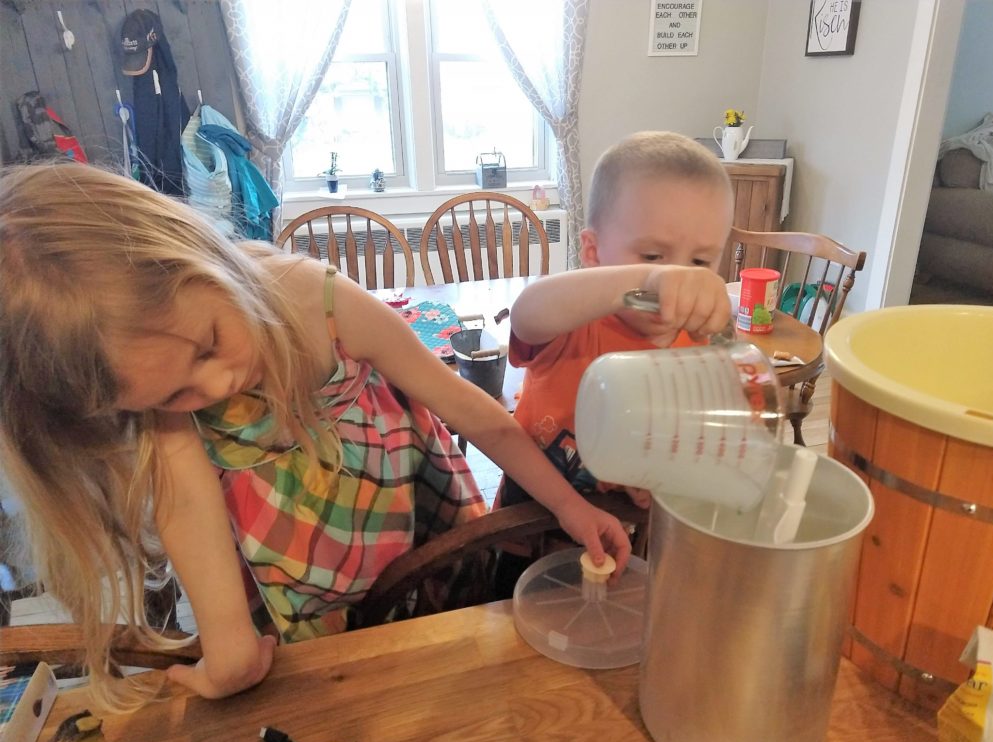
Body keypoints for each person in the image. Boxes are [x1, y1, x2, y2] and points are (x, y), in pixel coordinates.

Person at [0, 162, 631, 711]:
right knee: (346, 696)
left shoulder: (319, 303)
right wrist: (230, 651)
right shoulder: (154, 388)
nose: (218, 384)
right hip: (299, 578)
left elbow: (471, 408)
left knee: (454, 657)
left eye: (211, 344)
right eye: (173, 398)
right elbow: (185, 506)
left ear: (196, 255)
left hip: (413, 515)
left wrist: (568, 505)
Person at [496, 130, 734, 530]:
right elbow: (526, 314)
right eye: (653, 255)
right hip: (530, 526)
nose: (675, 281)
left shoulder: (697, 340)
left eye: (700, 262)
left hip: (626, 530)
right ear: (593, 252)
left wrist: (661, 475)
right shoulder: (575, 322)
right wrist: (646, 279)